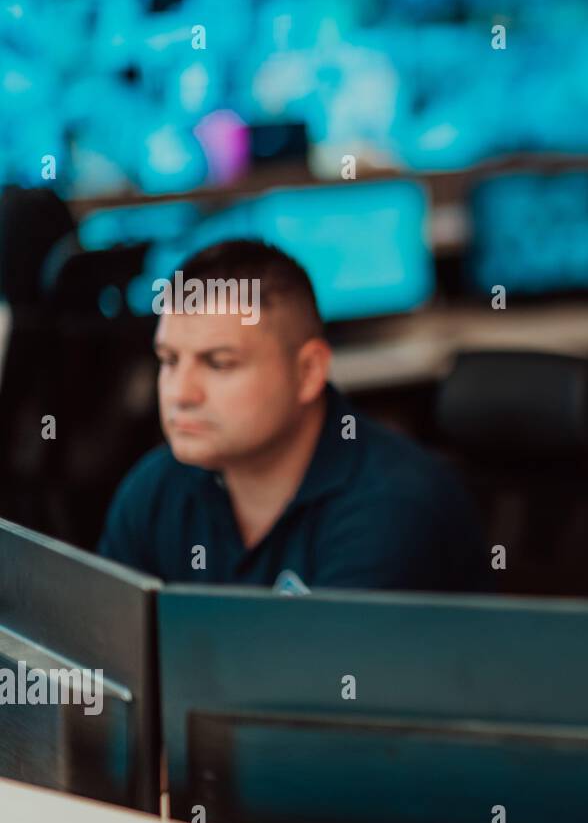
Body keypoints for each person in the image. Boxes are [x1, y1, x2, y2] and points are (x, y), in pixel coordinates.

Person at [98, 239, 490, 594]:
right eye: (168, 360)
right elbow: (100, 649)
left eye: (219, 364)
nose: (180, 393)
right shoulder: (155, 489)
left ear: (308, 372)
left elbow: (327, 674)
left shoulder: (393, 509)